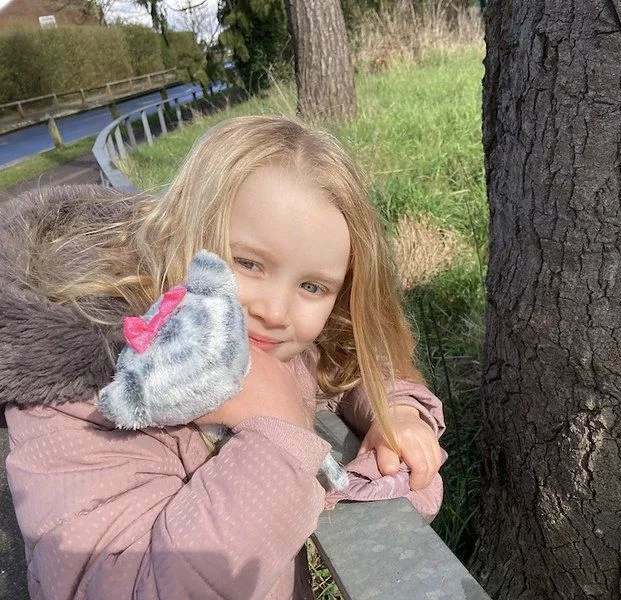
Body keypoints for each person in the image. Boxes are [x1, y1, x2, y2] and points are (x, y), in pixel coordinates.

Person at [0, 115, 446, 599]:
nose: (274, 311)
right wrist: (278, 436)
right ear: (180, 230)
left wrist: (394, 411)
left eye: (312, 286)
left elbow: (345, 362)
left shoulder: (269, 347)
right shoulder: (86, 398)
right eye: (249, 262)